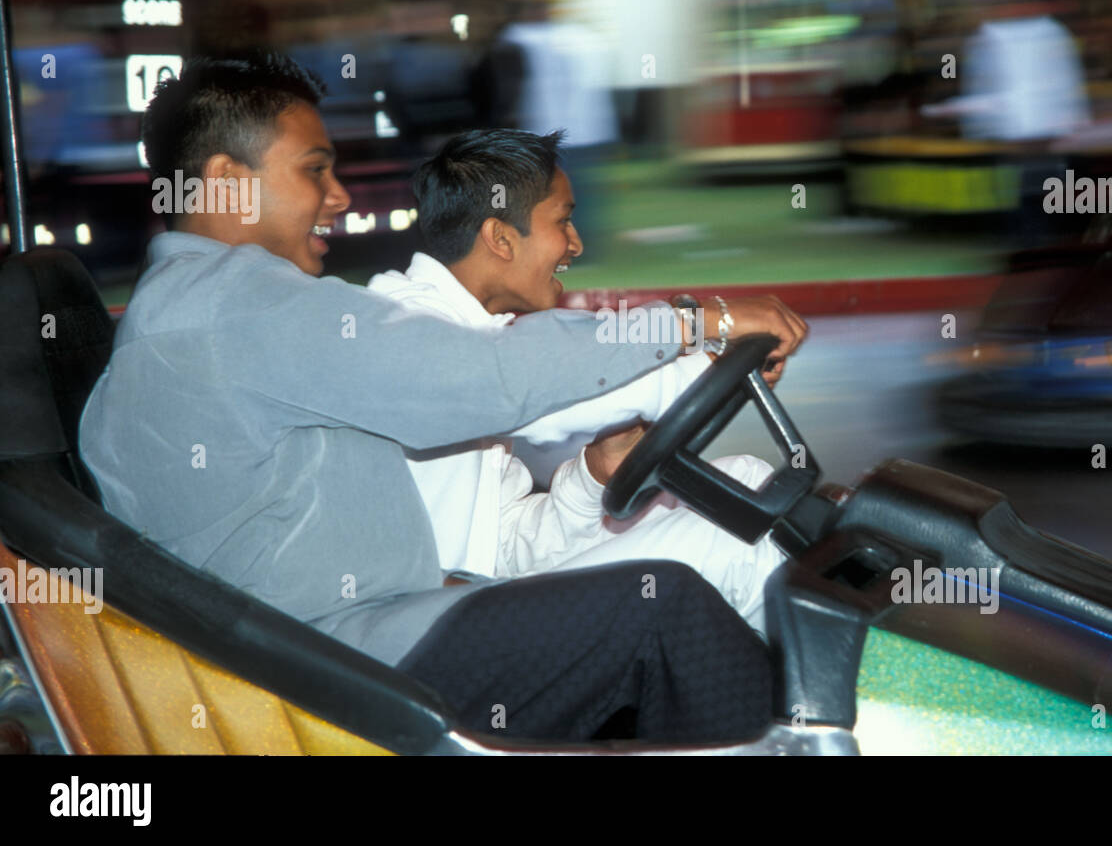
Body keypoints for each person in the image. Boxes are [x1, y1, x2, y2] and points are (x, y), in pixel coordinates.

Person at [78, 51, 806, 742]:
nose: (339, 196)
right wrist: (691, 323)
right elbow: (486, 376)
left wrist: (592, 471)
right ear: (226, 179)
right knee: (663, 610)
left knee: (698, 557)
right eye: (315, 170)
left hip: (325, 643)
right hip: (331, 667)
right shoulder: (234, 302)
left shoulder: (183, 309)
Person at [367, 129, 799, 633]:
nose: (576, 244)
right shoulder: (402, 326)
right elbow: (545, 380)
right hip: (426, 630)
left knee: (747, 480)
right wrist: (704, 326)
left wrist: (596, 473)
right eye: (563, 220)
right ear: (500, 237)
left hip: (475, 596)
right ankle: (817, 708)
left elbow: (506, 549)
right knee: (740, 545)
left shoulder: (477, 332)